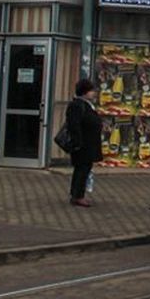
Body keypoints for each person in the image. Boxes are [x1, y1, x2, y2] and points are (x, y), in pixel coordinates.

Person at [65, 78, 103, 207]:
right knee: (82, 169)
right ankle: (78, 196)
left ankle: (76, 194)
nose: (94, 93)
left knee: (84, 169)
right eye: (91, 91)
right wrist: (77, 142)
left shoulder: (87, 105)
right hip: (82, 145)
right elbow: (74, 125)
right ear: (84, 92)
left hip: (89, 143)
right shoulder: (77, 105)